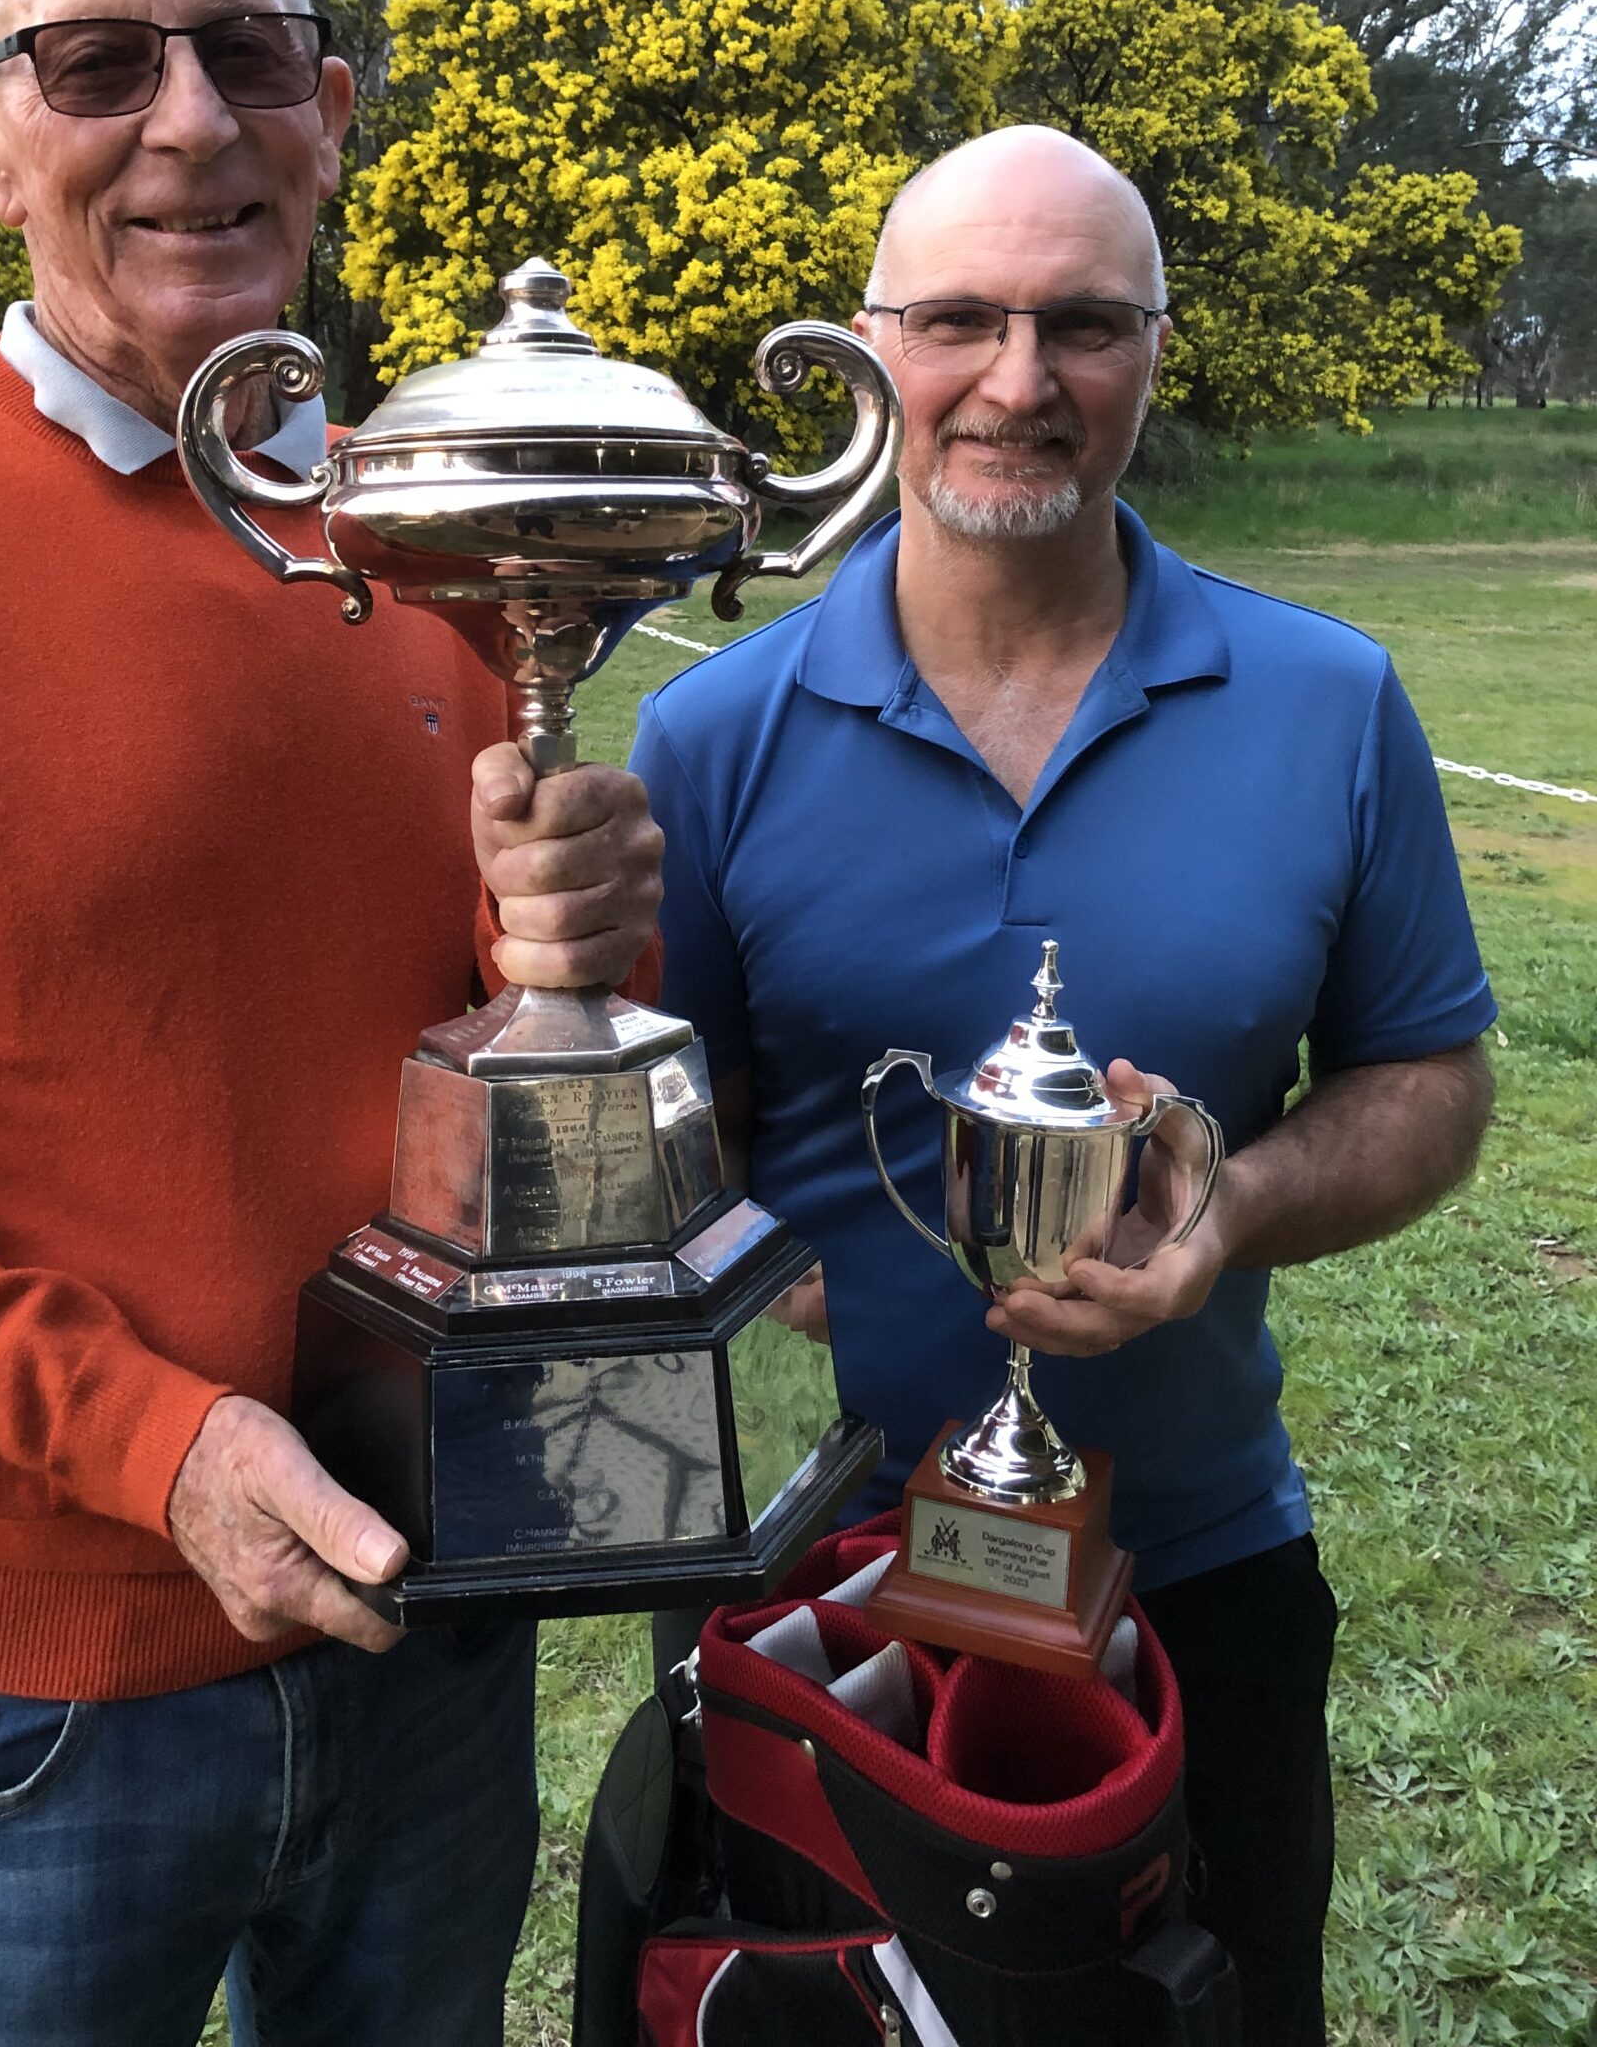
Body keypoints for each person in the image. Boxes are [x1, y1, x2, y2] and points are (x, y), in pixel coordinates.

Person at [0, 0, 663, 2047]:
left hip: (422, 1642)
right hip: (12, 1716)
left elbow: (491, 1059)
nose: (193, 119)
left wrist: (593, 938)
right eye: (99, 62)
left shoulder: (428, 527)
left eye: (249, 48)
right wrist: (164, 1446)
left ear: (334, 107)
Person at [629, 124, 1495, 2047]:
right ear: (873, 356)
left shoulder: (1328, 701)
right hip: (807, 1588)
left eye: (1083, 327)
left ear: (1155, 355)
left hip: (1194, 1569)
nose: (1019, 383)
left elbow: (1427, 1074)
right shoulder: (710, 735)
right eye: (960, 321)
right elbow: (660, 1165)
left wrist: (1234, 1208)